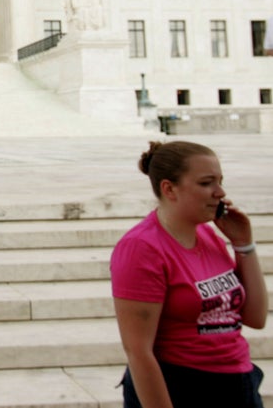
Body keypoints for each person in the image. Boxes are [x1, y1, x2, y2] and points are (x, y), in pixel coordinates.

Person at [111, 140, 268, 408]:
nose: (220, 192)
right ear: (169, 188)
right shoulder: (142, 248)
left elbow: (256, 317)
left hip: (237, 382)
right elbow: (138, 351)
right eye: (206, 183)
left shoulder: (209, 235)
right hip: (182, 385)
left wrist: (244, 244)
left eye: (220, 181)